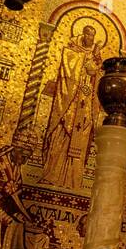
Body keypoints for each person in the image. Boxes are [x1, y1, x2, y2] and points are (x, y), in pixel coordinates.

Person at [41, 24, 102, 188]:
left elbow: (95, 73)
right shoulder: (71, 49)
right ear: (83, 34)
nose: (91, 39)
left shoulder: (95, 51)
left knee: (81, 136)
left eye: (93, 36)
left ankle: (72, 180)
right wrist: (85, 61)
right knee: (62, 133)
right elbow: (69, 68)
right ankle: (52, 175)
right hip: (68, 101)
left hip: (84, 102)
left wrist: (96, 61)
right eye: (88, 35)